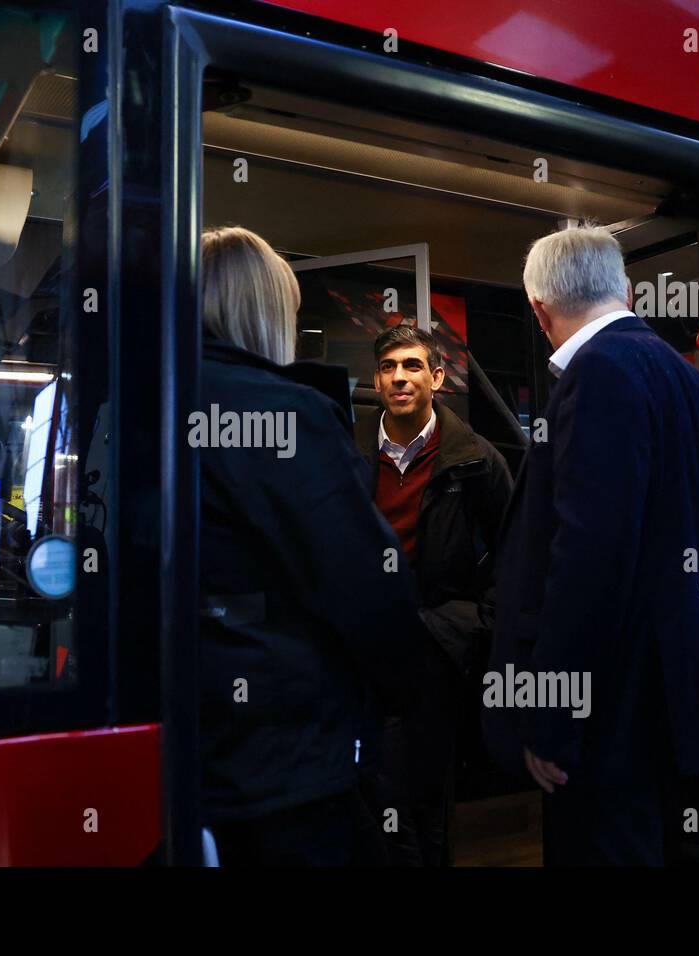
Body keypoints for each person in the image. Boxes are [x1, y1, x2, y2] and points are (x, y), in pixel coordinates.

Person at [483, 224, 699, 866]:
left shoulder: (599, 374)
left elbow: (589, 559)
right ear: (628, 289)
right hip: (661, 695)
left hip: (606, 712)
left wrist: (554, 713)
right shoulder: (683, 376)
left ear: (539, 309)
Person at [196, 226, 427, 866]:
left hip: (187, 752)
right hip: (285, 757)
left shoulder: (139, 400)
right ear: (266, 313)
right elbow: (367, 588)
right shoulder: (285, 414)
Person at [353, 325, 513, 866]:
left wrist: (472, 625)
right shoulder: (345, 450)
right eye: (389, 367)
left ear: (437, 377)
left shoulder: (476, 459)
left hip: (435, 645)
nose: (400, 377)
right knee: (370, 792)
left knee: (422, 795)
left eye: (413, 365)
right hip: (363, 646)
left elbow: (514, 553)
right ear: (376, 380)